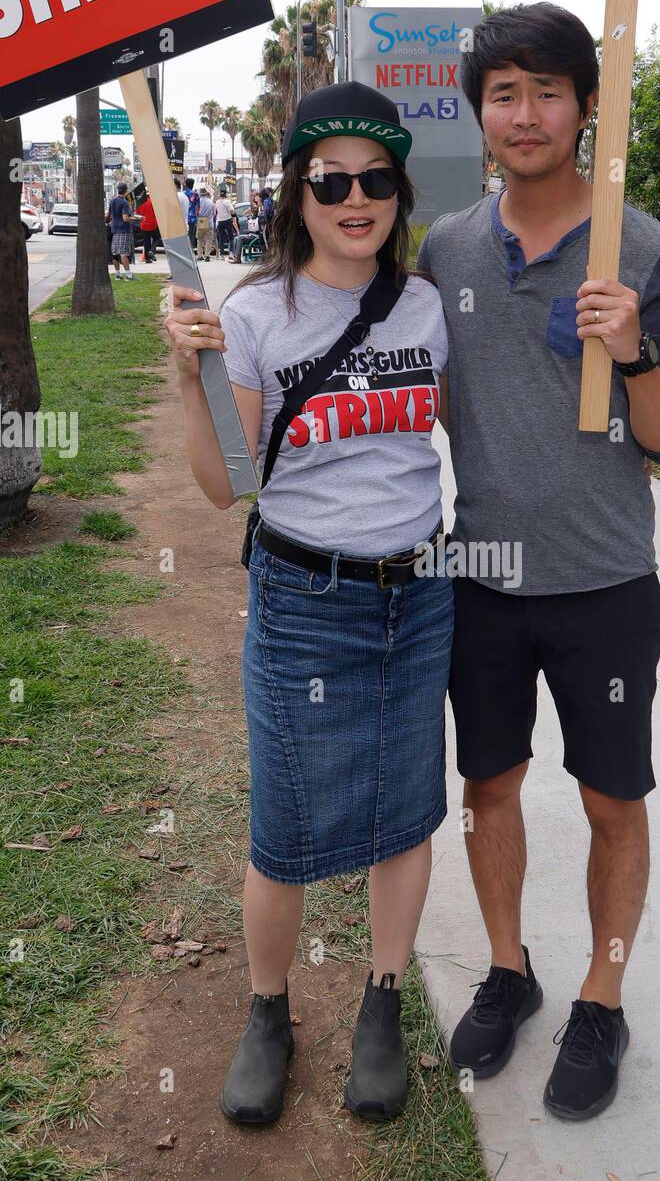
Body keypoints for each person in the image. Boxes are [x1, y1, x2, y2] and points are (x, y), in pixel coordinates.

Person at [416, 2, 660, 1121]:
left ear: (586, 106)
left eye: (546, 91)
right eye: (503, 93)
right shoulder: (445, 247)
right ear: (479, 114)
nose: (523, 113)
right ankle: (509, 968)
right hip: (482, 581)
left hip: (608, 588)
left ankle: (602, 992)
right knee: (488, 786)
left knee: (613, 795)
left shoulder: (646, 248)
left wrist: (631, 353)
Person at [162, 82, 453, 1126]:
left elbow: (451, 433)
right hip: (302, 598)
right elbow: (223, 484)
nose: (355, 196)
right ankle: (270, 1011)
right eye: (332, 178)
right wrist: (186, 379)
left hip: (418, 597)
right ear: (300, 191)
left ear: (398, 189)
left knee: (407, 807)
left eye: (376, 177)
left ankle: (382, 1000)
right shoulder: (253, 313)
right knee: (284, 825)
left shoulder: (422, 306)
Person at [104, 182, 139, 280]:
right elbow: (125, 218)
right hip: (123, 230)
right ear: (126, 191)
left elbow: (107, 215)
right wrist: (137, 219)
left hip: (114, 229)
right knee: (123, 253)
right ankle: (129, 275)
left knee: (115, 253)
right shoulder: (124, 202)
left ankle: (118, 275)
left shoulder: (112, 201)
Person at [214, 187, 238, 257]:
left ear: (220, 195)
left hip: (220, 221)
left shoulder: (217, 202)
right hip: (227, 220)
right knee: (231, 237)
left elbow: (216, 212)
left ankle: (221, 254)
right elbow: (232, 211)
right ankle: (231, 253)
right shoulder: (228, 202)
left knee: (221, 238)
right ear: (226, 194)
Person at [137, 192, 159, 263]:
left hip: (144, 225)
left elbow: (138, 213)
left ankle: (147, 259)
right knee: (157, 238)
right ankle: (152, 250)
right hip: (153, 224)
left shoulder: (140, 204)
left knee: (146, 242)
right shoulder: (152, 202)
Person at [195, 187, 216, 261]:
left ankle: (200, 255)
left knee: (199, 239)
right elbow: (214, 213)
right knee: (208, 239)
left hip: (200, 221)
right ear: (206, 194)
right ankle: (207, 255)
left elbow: (196, 212)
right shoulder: (211, 202)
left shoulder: (198, 201)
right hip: (209, 222)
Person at [183, 176, 198, 247]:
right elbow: (198, 207)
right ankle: (190, 249)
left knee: (183, 235)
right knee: (191, 234)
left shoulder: (182, 193)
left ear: (186, 184)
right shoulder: (195, 194)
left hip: (183, 217)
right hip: (192, 218)